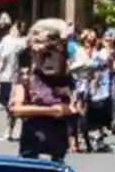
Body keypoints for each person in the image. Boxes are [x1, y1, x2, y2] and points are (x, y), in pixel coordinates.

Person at [8, 18, 75, 162]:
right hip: (32, 141)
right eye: (42, 57)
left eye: (53, 56)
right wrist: (52, 111)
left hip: (57, 144)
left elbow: (76, 108)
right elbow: (16, 109)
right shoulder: (27, 79)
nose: (48, 62)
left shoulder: (66, 80)